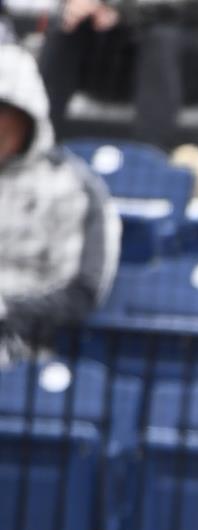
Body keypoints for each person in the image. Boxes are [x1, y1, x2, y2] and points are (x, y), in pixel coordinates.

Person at [0, 44, 119, 359]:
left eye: (2, 110)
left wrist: (7, 309)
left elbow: (82, 290)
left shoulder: (73, 187)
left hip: (25, 352)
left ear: (27, 114)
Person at [36, 0, 198, 149]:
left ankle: (149, 159)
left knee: (160, 39)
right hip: (119, 56)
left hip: (191, 56)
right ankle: (38, 144)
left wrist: (120, 8)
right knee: (65, 30)